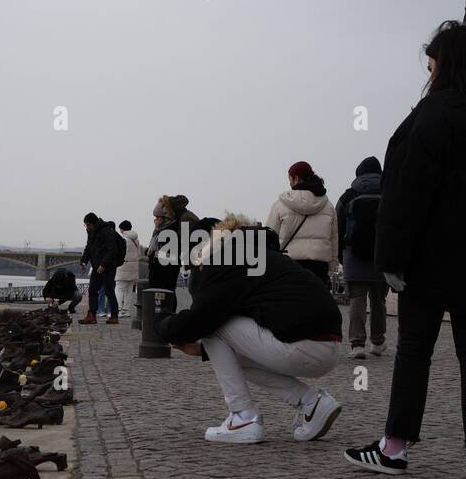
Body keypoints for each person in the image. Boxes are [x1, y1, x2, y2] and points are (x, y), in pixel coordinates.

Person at [343, 21, 466, 479]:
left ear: (445, 64)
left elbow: (406, 194)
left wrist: (392, 259)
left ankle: (395, 447)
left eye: (432, 63)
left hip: (430, 257)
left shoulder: (432, 114)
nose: (429, 71)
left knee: (415, 350)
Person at [156, 218, 343, 445]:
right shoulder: (257, 256)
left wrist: (161, 322)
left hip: (302, 344)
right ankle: (312, 402)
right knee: (223, 335)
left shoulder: (224, 260)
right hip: (327, 346)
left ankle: (243, 417)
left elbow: (201, 319)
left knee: (215, 324)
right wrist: (203, 351)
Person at [335, 156, 387, 360]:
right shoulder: (389, 192)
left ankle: (357, 344)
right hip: (382, 256)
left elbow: (337, 227)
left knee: (357, 301)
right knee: (379, 302)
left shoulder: (349, 195)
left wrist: (341, 255)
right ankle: (378, 341)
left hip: (354, 256)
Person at [265, 161, 338, 284]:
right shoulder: (328, 207)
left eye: (290, 178)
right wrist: (332, 265)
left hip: (288, 265)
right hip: (319, 267)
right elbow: (333, 238)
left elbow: (269, 237)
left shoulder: (280, 205)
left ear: (296, 179)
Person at [78, 213, 126, 325]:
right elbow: (88, 247)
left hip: (108, 267)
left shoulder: (107, 231)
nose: (87, 227)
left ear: (93, 223)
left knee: (109, 291)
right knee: (93, 290)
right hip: (96, 266)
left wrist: (103, 265)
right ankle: (92, 315)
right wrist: (83, 261)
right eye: (85, 225)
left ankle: (114, 316)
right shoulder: (90, 232)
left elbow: (112, 250)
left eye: (88, 225)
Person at [146, 194, 197, 293]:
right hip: (163, 267)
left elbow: (181, 246)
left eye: (158, 217)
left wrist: (156, 254)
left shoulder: (175, 225)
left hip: (167, 268)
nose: (155, 220)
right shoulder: (163, 228)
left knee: (167, 294)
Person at [115, 220, 142, 317]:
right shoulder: (136, 240)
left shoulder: (124, 239)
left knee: (119, 288)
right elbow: (139, 255)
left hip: (123, 266)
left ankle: (118, 310)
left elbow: (120, 254)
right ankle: (126, 311)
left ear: (122, 229)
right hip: (134, 267)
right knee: (129, 290)